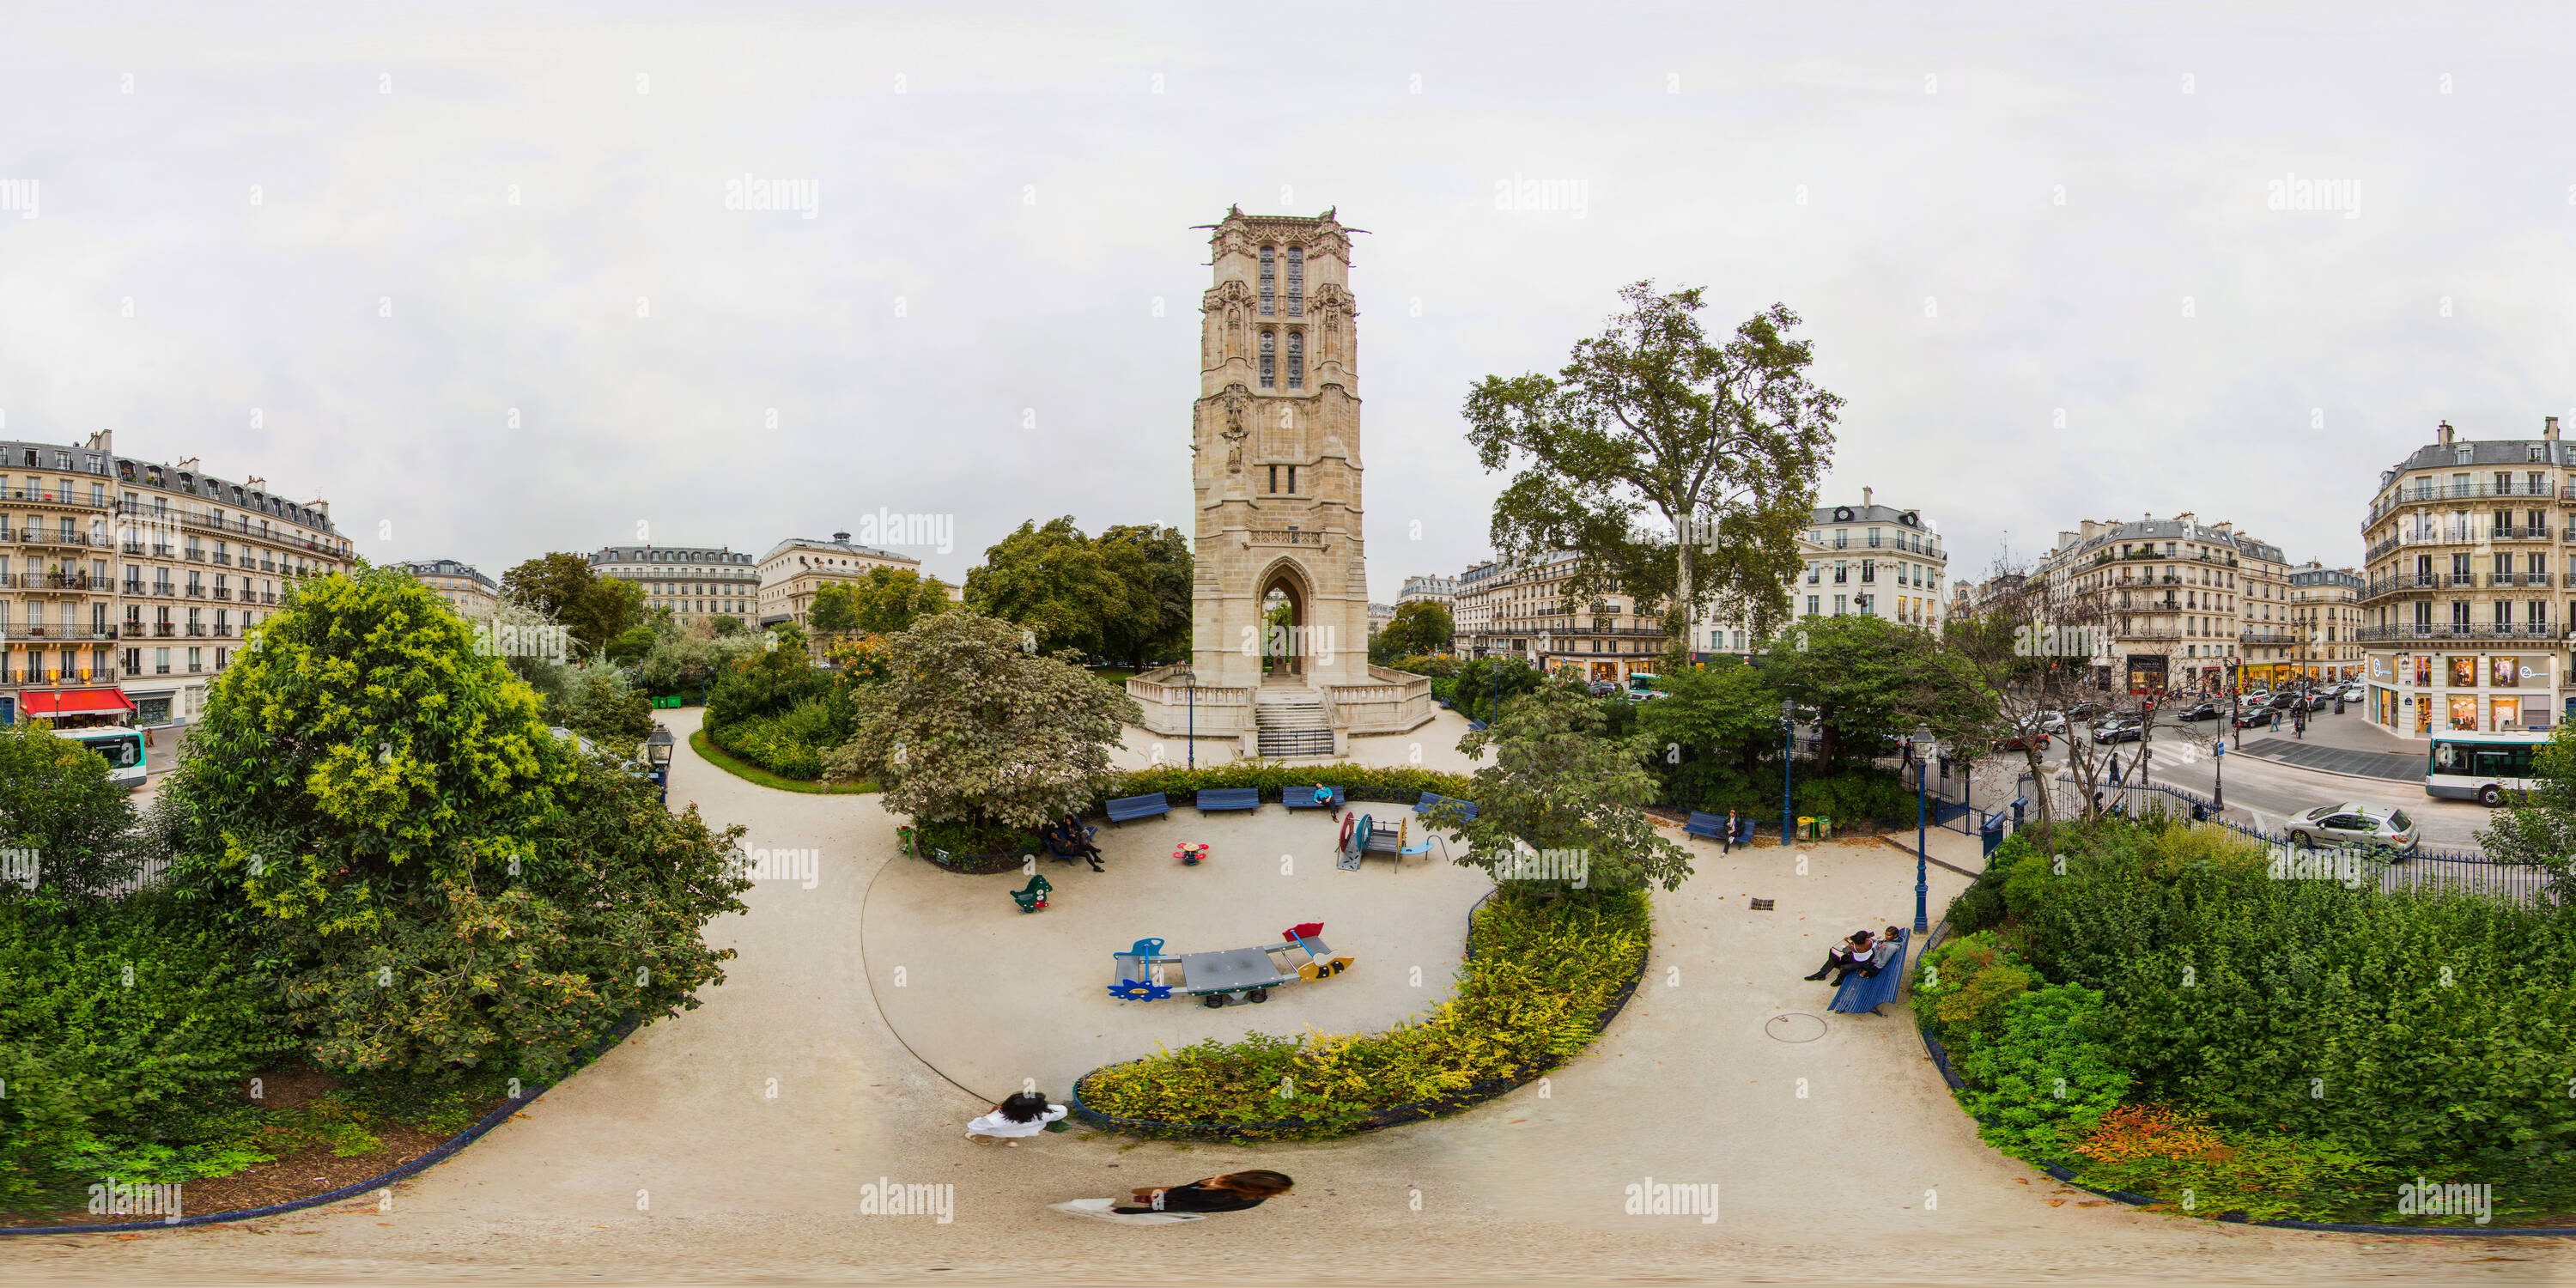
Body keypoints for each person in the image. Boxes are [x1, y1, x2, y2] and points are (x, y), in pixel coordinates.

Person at [1110, 1170, 1295, 1215]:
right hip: (1194, 1195)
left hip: (1187, 1199)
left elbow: (1185, 1202)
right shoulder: (1239, 1187)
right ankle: (1153, 1199)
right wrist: (1205, 1184)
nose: (1219, 1177)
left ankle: (1149, 1201)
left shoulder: (1216, 1196)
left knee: (1155, 1202)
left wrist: (1128, 1211)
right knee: (1145, 1195)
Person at [968, 1091, 1069, 1145]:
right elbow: (1062, 1111)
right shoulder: (1051, 1111)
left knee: (987, 1134)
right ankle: (1012, 1142)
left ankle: (980, 1141)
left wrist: (988, 1114)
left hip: (1001, 1128)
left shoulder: (997, 1119)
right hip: (1024, 1129)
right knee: (1015, 1133)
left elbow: (980, 1125)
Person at [1801, 931, 1878, 982]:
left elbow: (1845, 950)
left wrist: (1850, 939)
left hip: (1857, 961)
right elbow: (1868, 937)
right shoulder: (1869, 942)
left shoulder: (1852, 946)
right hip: (1867, 957)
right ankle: (1822, 974)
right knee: (1835, 956)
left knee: (1834, 953)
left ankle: (1822, 974)